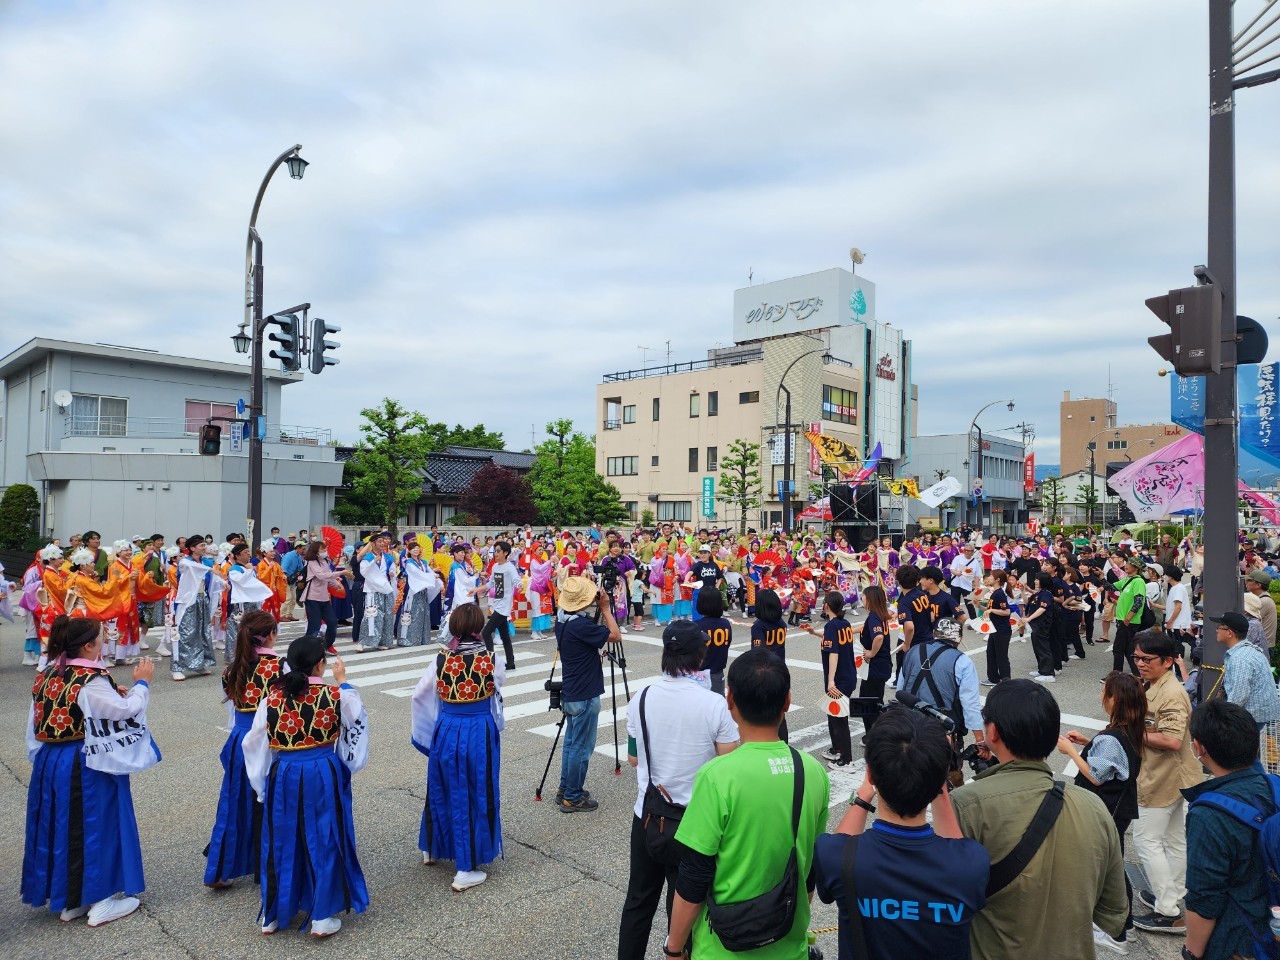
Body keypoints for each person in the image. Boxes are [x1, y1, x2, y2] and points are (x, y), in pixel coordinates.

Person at [664, 649, 830, 959]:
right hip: (789, 944)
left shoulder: (717, 776)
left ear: (730, 702)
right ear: (787, 702)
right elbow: (808, 869)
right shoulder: (813, 770)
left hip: (723, 947)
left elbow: (694, 876)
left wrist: (674, 948)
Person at [951, 679, 1129, 958]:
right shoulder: (1093, 806)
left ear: (993, 731)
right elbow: (1113, 911)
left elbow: (943, 902)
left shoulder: (966, 805)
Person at [815, 708, 990, 960]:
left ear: (871, 774)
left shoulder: (837, 856)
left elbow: (839, 845)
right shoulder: (971, 863)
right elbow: (956, 848)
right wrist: (937, 775)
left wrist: (865, 795)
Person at [22, 616, 157, 927]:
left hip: (49, 761)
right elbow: (125, 711)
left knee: (62, 826)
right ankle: (100, 899)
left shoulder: (48, 675)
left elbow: (36, 726)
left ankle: (72, 898)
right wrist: (142, 684)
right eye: (101, 636)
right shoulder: (89, 678)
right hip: (85, 762)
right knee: (96, 824)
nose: (106, 639)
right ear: (88, 645)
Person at [616, 621, 738, 960]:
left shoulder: (641, 698)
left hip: (647, 817)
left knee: (638, 902)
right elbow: (728, 767)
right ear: (700, 655)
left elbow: (632, 757)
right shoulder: (714, 705)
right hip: (693, 825)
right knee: (683, 909)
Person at [244, 635, 370, 937]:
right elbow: (356, 718)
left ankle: (272, 914)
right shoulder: (334, 695)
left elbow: (254, 744)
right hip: (322, 770)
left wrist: (261, 785)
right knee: (325, 837)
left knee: (281, 839)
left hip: (284, 771)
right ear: (319, 664)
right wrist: (344, 682)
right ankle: (322, 915)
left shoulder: (272, 698)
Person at [410, 603, 506, 892]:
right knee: (476, 790)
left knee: (441, 785)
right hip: (478, 727)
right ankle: (465, 867)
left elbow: (419, 695)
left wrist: (427, 734)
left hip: (448, 726)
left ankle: (432, 845)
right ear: (479, 627)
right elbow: (499, 687)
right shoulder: (491, 658)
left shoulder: (441, 659)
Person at [1056, 671, 1146, 953]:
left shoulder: (1111, 737)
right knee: (1114, 866)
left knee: (1110, 870)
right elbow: (1112, 764)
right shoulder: (1129, 729)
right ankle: (1125, 926)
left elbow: (1095, 775)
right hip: (1119, 810)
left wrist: (1070, 750)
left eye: (1105, 692)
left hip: (1104, 812)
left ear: (1113, 699)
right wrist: (1086, 743)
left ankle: (1118, 933)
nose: (1101, 697)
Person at [1181, 699, 1279, 960]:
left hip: (1240, 939)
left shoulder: (1209, 814)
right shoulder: (1274, 785)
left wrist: (1192, 952)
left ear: (1199, 748)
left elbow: (1204, 898)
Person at [1130, 629, 1204, 935]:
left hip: (1163, 777)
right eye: (1137, 658)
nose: (1140, 664)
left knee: (1146, 840)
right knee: (1174, 839)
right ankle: (1171, 892)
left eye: (1147, 659)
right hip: (1176, 776)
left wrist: (1129, 732)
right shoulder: (1157, 684)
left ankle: (1169, 911)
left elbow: (1172, 740)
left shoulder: (1171, 692)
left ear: (1168, 661)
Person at [204, 609, 280, 888]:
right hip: (268, 741)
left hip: (238, 738)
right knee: (271, 803)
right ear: (271, 635)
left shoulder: (232, 668)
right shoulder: (279, 667)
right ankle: (268, 865)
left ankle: (220, 868)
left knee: (234, 803)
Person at [554, 576, 622, 812]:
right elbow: (615, 635)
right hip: (584, 694)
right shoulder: (581, 626)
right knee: (582, 747)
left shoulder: (562, 621)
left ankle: (566, 788)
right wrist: (604, 607)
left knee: (572, 743)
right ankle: (572, 796)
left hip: (572, 691)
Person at [897, 616, 985, 773]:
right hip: (943, 728)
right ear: (959, 639)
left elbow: (900, 691)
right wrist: (979, 739)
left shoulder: (912, 651)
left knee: (910, 769)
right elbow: (970, 704)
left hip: (910, 723)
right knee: (946, 773)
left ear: (934, 633)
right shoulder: (962, 661)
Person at [802, 589, 860, 768]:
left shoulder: (832, 626)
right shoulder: (843, 623)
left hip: (839, 678)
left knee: (839, 719)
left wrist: (831, 680)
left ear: (827, 606)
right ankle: (837, 749)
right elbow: (833, 639)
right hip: (848, 675)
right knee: (833, 714)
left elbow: (833, 652)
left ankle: (846, 759)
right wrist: (814, 633)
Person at [1213, 611, 1280, 728]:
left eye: (1219, 627)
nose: (1216, 630)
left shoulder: (1240, 658)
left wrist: (1224, 720)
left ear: (1230, 633)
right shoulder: (1248, 650)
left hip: (1250, 718)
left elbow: (1239, 696)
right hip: (1257, 716)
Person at [172, 535, 223, 682]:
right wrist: (210, 569)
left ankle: (198, 663)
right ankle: (177, 667)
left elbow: (212, 578)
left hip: (202, 599)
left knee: (202, 632)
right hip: (187, 601)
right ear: (192, 548)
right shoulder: (184, 562)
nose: (204, 548)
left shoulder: (206, 561)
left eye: (204, 545)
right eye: (201, 545)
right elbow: (191, 568)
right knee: (185, 632)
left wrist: (221, 583)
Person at [749, 587, 790, 740]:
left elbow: (758, 652)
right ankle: (783, 743)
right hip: (780, 669)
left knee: (763, 713)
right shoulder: (781, 624)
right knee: (780, 714)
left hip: (765, 673)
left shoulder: (759, 626)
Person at [479, 540, 520, 671]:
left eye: (498, 551)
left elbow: (516, 579)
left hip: (504, 606)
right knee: (504, 635)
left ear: (505, 553)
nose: (495, 553)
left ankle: (491, 663)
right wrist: (476, 589)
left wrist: (519, 584)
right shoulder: (496, 566)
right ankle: (511, 662)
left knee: (486, 633)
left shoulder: (510, 567)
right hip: (497, 604)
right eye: (494, 551)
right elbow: (491, 584)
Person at [358, 533, 399, 652]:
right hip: (373, 590)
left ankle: (382, 641)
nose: (382, 543)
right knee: (370, 616)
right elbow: (364, 572)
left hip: (385, 590)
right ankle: (362, 642)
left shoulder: (388, 557)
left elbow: (392, 571)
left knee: (386, 616)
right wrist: (374, 561)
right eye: (379, 541)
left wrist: (392, 574)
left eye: (383, 541)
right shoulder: (367, 558)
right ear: (373, 543)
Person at [398, 540, 441, 648]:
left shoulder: (423, 562)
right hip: (413, 590)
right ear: (409, 551)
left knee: (423, 613)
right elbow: (417, 574)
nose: (416, 550)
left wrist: (436, 578)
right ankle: (409, 638)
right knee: (412, 613)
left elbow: (429, 572)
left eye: (417, 548)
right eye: (414, 549)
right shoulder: (409, 563)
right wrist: (431, 577)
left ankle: (423, 638)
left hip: (423, 590)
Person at [1111, 557, 1148, 676]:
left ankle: (1116, 675)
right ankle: (1137, 674)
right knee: (1128, 649)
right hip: (1123, 620)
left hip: (1129, 621)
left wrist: (1128, 618)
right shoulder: (1128, 579)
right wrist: (1100, 577)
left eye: (1129, 564)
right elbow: (1111, 587)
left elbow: (1138, 601)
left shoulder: (1138, 581)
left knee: (1118, 648)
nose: (1126, 565)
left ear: (1136, 568)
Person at [694, 587, 732, 695]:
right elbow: (727, 643)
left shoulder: (696, 625)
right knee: (718, 703)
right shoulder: (725, 624)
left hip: (700, 674)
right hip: (718, 672)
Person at [982, 569, 1013, 685]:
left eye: (990, 576)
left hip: (1002, 630)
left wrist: (991, 610)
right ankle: (993, 679)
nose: (988, 578)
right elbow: (990, 610)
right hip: (994, 629)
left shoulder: (999, 593)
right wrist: (979, 605)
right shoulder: (994, 593)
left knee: (1001, 656)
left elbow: (1006, 612)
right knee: (991, 653)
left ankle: (1006, 682)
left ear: (997, 579)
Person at [1244, 569, 1277, 648]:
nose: (1246, 582)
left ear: (1258, 585)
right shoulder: (1262, 599)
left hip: (1261, 646)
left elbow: (1246, 621)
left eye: (1249, 580)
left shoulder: (1263, 601)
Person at [279, 542, 306, 622]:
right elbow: (283, 569)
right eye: (303, 549)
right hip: (286, 579)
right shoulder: (289, 556)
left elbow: (301, 568)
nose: (304, 551)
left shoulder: (298, 556)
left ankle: (289, 614)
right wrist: (285, 578)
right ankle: (281, 615)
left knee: (293, 598)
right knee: (288, 598)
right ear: (297, 548)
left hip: (293, 580)